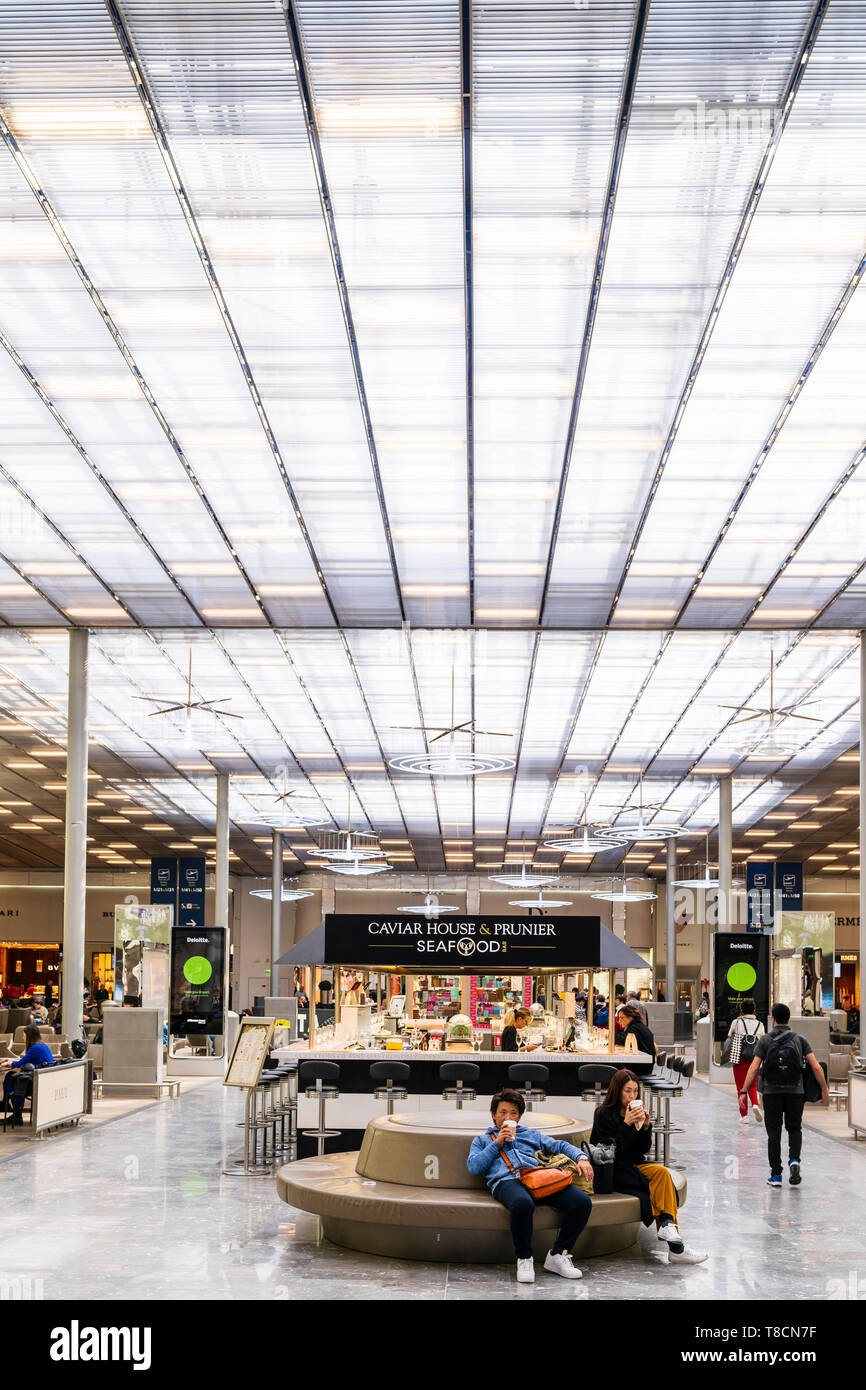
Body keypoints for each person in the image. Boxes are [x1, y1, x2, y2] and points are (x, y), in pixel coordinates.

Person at [467, 1088, 594, 1283]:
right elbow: (474, 1167)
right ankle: (524, 1258)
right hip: (506, 1182)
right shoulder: (482, 1140)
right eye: (503, 1112)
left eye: (513, 1113)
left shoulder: (530, 1134)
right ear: (493, 1115)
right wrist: (498, 1142)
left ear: (519, 1116)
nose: (508, 1117)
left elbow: (559, 1146)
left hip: (537, 1178)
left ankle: (558, 1255)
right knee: (522, 1203)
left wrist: (582, 1158)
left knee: (582, 1202)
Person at [590, 1069, 706, 1264]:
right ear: (617, 1091)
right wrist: (626, 1125)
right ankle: (677, 1250)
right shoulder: (604, 1114)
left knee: (661, 1173)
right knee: (658, 1187)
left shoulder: (634, 1113)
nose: (632, 1096)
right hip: (611, 1170)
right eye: (627, 1091)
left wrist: (645, 1128)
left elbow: (641, 1151)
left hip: (632, 1165)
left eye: (635, 1091)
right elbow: (611, 1152)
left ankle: (668, 1225)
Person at [738, 1002, 829, 1188]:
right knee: (794, 1128)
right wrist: (824, 1088)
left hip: (771, 1092)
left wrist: (744, 1090)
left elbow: (754, 1067)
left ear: (773, 1018)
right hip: (796, 1091)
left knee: (774, 1133)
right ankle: (794, 1161)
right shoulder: (800, 1039)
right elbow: (816, 1066)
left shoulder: (765, 1040)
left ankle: (776, 1175)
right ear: (788, 1019)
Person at [0, 1025, 54, 1127]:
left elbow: (20, 1064)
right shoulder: (42, 1046)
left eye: (24, 1035)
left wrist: (8, 1063)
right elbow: (24, 1061)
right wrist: (10, 1061)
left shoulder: (35, 1048)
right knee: (12, 1077)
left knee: (10, 1078)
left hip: (37, 1083)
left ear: (29, 1036)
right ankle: (14, 1111)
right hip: (44, 1080)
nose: (23, 1038)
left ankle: (15, 1111)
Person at [726, 998, 765, 1125]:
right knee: (752, 1085)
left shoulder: (736, 1022)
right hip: (755, 1060)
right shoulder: (760, 1024)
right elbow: (763, 1041)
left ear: (741, 1010)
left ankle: (744, 1116)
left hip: (739, 1059)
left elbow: (729, 1036)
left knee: (741, 1088)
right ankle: (755, 1104)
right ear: (754, 1010)